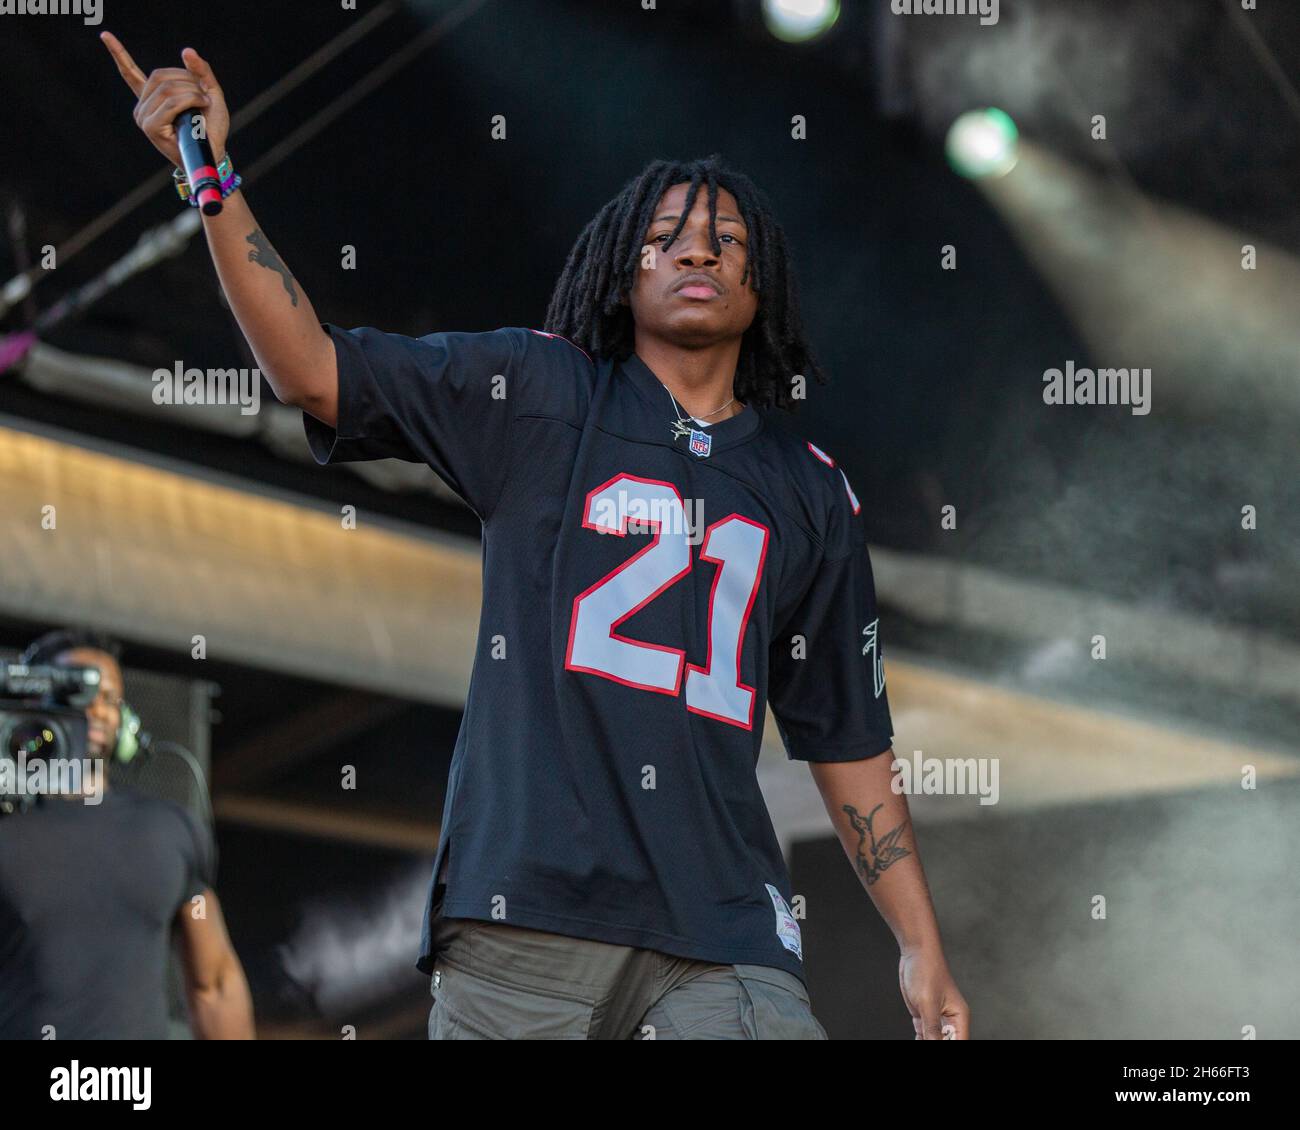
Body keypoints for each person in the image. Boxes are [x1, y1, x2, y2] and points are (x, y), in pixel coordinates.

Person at [102, 32, 970, 1040]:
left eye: (726, 238)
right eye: (666, 235)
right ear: (620, 271)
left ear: (761, 280)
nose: (697, 248)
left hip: (728, 927)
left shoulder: (809, 489)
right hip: (526, 913)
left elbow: (849, 740)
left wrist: (919, 939)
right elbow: (309, 369)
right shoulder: (536, 389)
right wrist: (208, 170)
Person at [0, 629, 255, 1039]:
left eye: (110, 698)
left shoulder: (169, 830)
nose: (97, 710)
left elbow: (216, 985)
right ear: (34, 699)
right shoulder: (6, 825)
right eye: (78, 692)